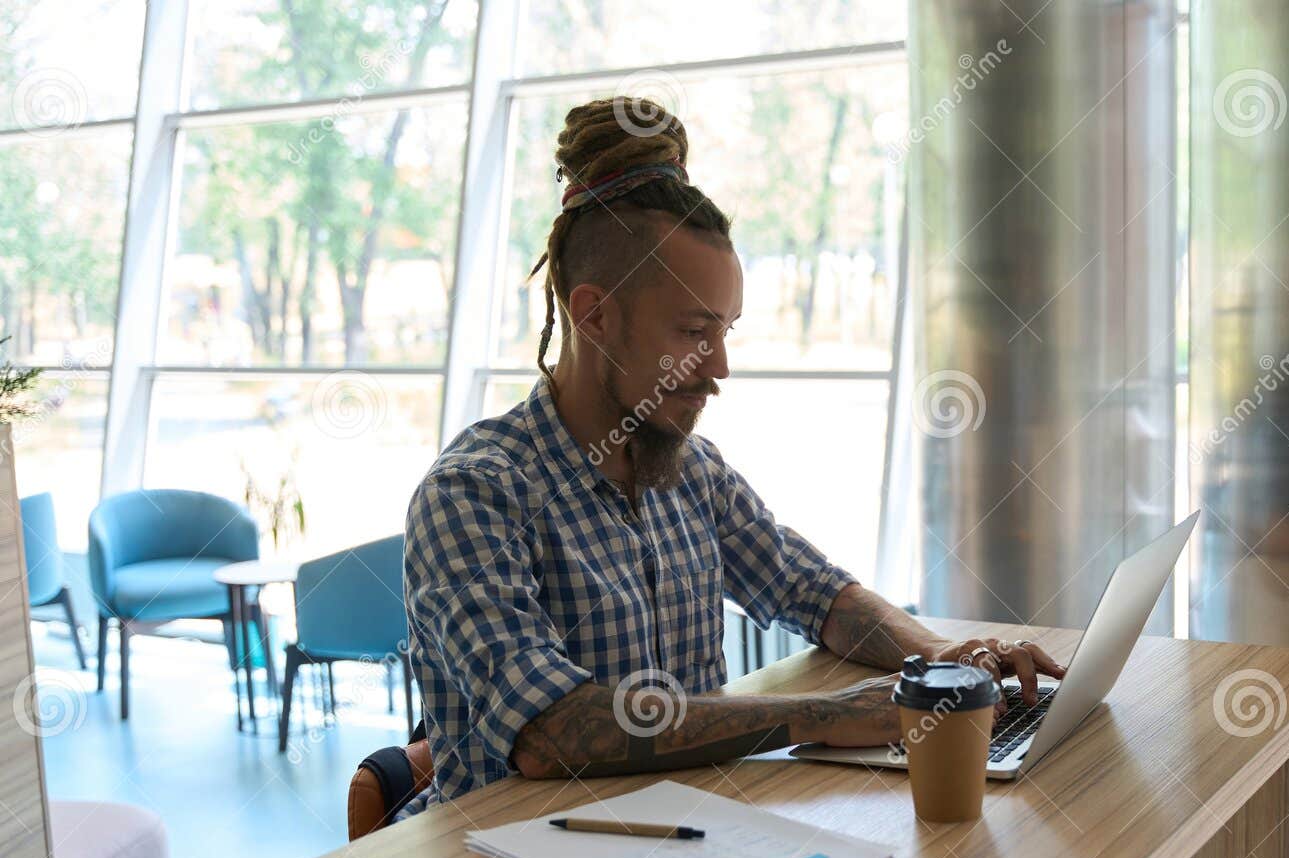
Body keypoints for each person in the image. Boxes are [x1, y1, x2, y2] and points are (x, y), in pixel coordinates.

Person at [400, 96, 1064, 815]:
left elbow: (820, 595)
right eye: (693, 332)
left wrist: (940, 663)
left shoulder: (692, 470)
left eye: (726, 331)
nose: (719, 367)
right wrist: (824, 715)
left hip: (682, 838)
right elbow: (552, 731)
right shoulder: (475, 494)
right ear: (594, 314)